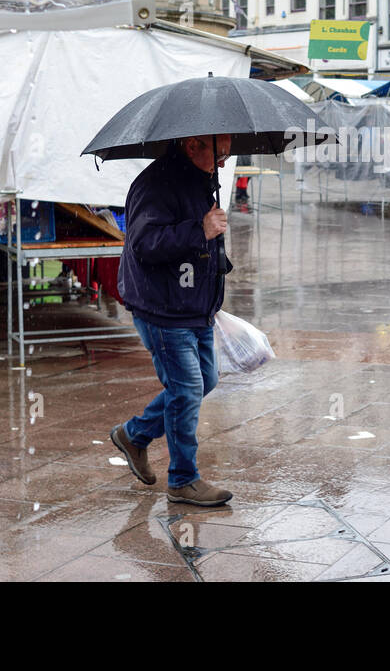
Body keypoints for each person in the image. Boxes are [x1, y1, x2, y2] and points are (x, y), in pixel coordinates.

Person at [110, 134, 234, 507]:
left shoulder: (199, 179)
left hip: (194, 305)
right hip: (163, 307)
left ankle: (134, 435)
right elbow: (145, 244)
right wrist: (201, 229)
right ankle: (182, 479)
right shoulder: (157, 183)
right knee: (187, 388)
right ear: (194, 144)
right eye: (220, 153)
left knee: (203, 381)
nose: (224, 163)